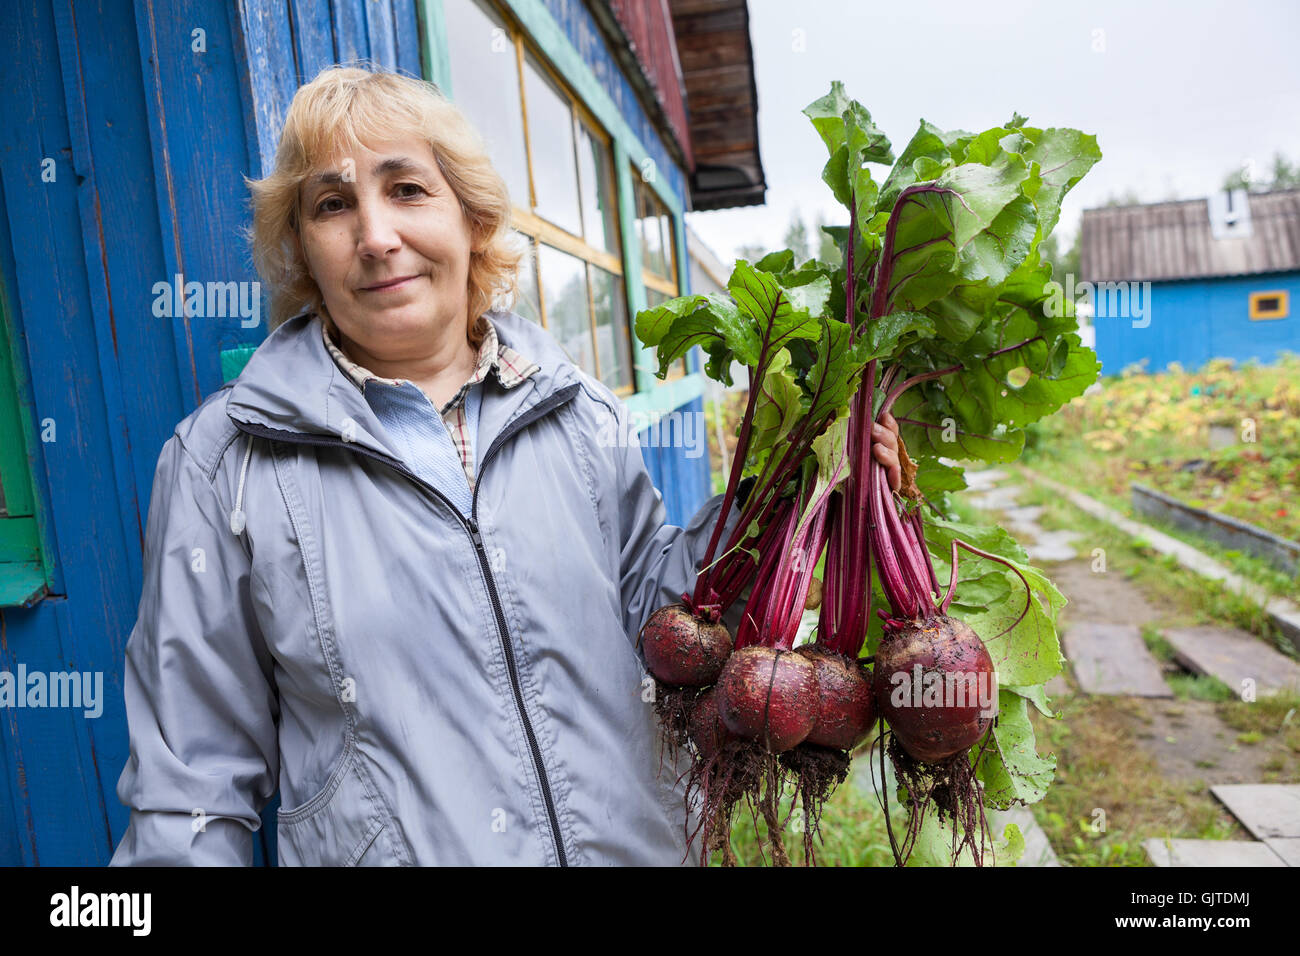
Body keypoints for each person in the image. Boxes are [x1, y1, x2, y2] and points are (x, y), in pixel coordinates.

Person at [108, 65, 903, 867]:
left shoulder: (578, 410)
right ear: (303, 250)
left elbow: (660, 620)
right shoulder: (225, 465)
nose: (376, 236)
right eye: (333, 204)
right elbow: (191, 798)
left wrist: (811, 490)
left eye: (407, 189)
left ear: (471, 218)